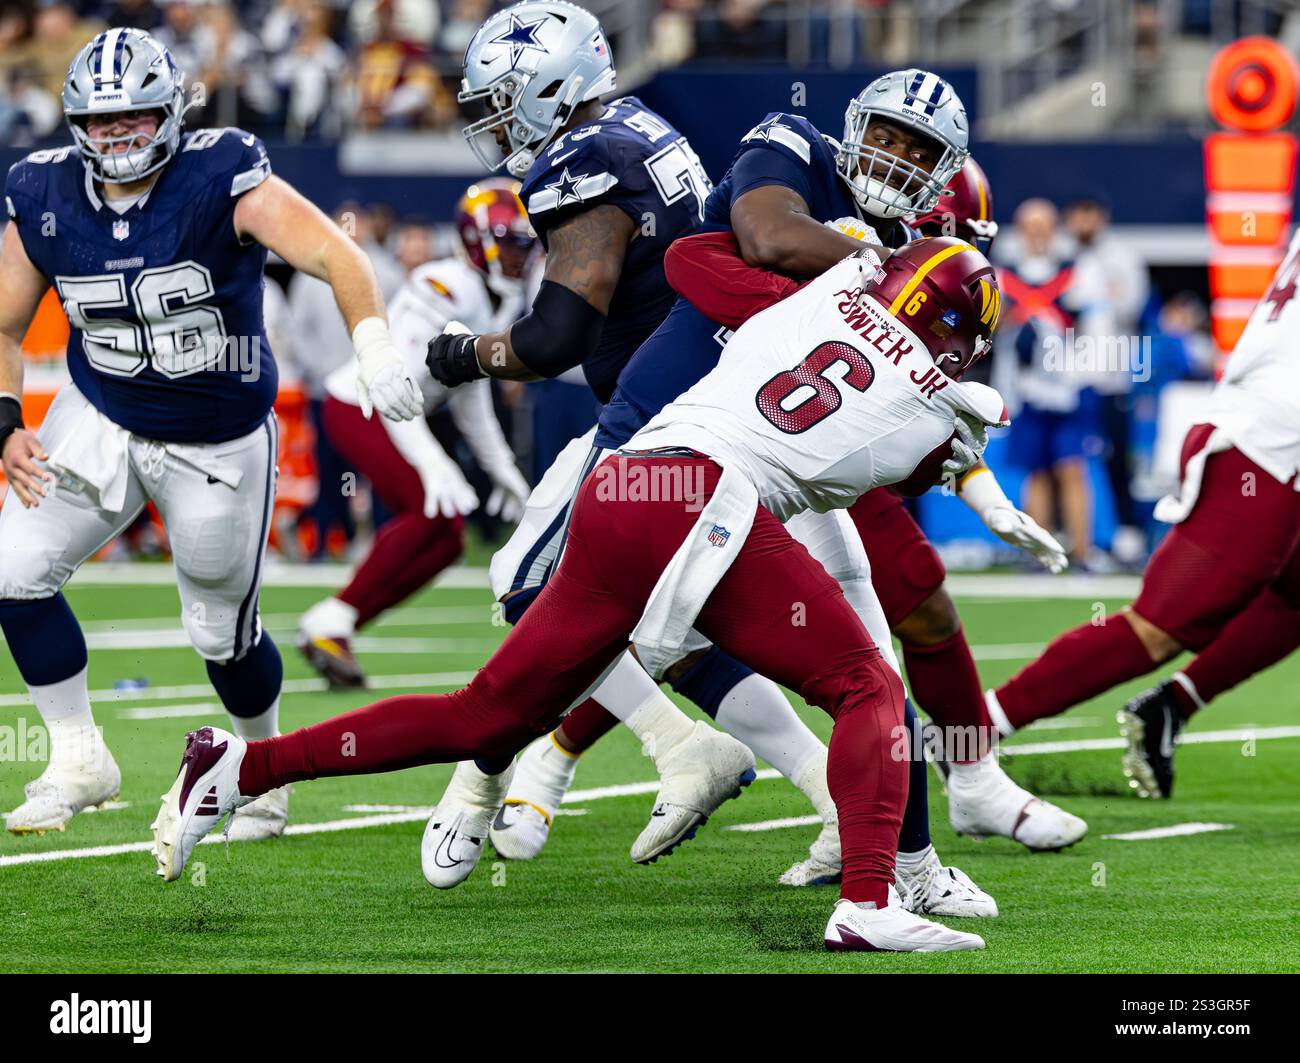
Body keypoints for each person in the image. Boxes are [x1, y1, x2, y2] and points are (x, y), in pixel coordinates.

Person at [153, 237, 1009, 954]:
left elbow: (689, 259)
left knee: (482, 714)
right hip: (705, 501)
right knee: (868, 683)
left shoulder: (817, 294)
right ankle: (867, 900)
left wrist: (833, 267)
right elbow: (884, 461)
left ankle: (238, 767)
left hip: (624, 485)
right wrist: (963, 447)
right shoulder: (935, 402)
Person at [476, 85, 1079, 897]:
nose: (896, 159)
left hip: (793, 476)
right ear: (859, 127)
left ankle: (918, 860)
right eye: (889, 138)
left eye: (917, 150)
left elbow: (925, 400)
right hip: (672, 438)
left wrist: (975, 480)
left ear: (942, 176)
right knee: (545, 594)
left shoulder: (912, 249)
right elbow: (745, 242)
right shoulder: (793, 147)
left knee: (870, 664)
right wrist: (876, 276)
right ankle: (548, 763)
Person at [0, 29, 423, 838]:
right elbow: (5, 326)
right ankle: (79, 755)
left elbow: (337, 255)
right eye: (101, 121)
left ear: (171, 113)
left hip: (216, 434)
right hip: (101, 413)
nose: (117, 135)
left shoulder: (219, 173)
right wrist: (6, 419)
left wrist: (372, 345)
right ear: (74, 123)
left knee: (221, 636)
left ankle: (264, 770)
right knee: (12, 569)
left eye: (134, 118)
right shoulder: (42, 191)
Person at [985, 227, 1300, 799]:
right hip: (1269, 447)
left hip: (1265, 430)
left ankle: (1169, 707)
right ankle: (973, 732)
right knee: (1158, 627)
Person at [297, 180, 536, 687]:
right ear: (478, 240)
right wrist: (432, 462)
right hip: (362, 405)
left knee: (447, 539)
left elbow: (470, 396)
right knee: (430, 508)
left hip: (399, 414)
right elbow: (394, 382)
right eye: (509, 242)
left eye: (523, 244)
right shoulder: (444, 283)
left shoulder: (497, 297)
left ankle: (337, 624)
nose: (518, 255)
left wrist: (505, 472)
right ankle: (331, 618)